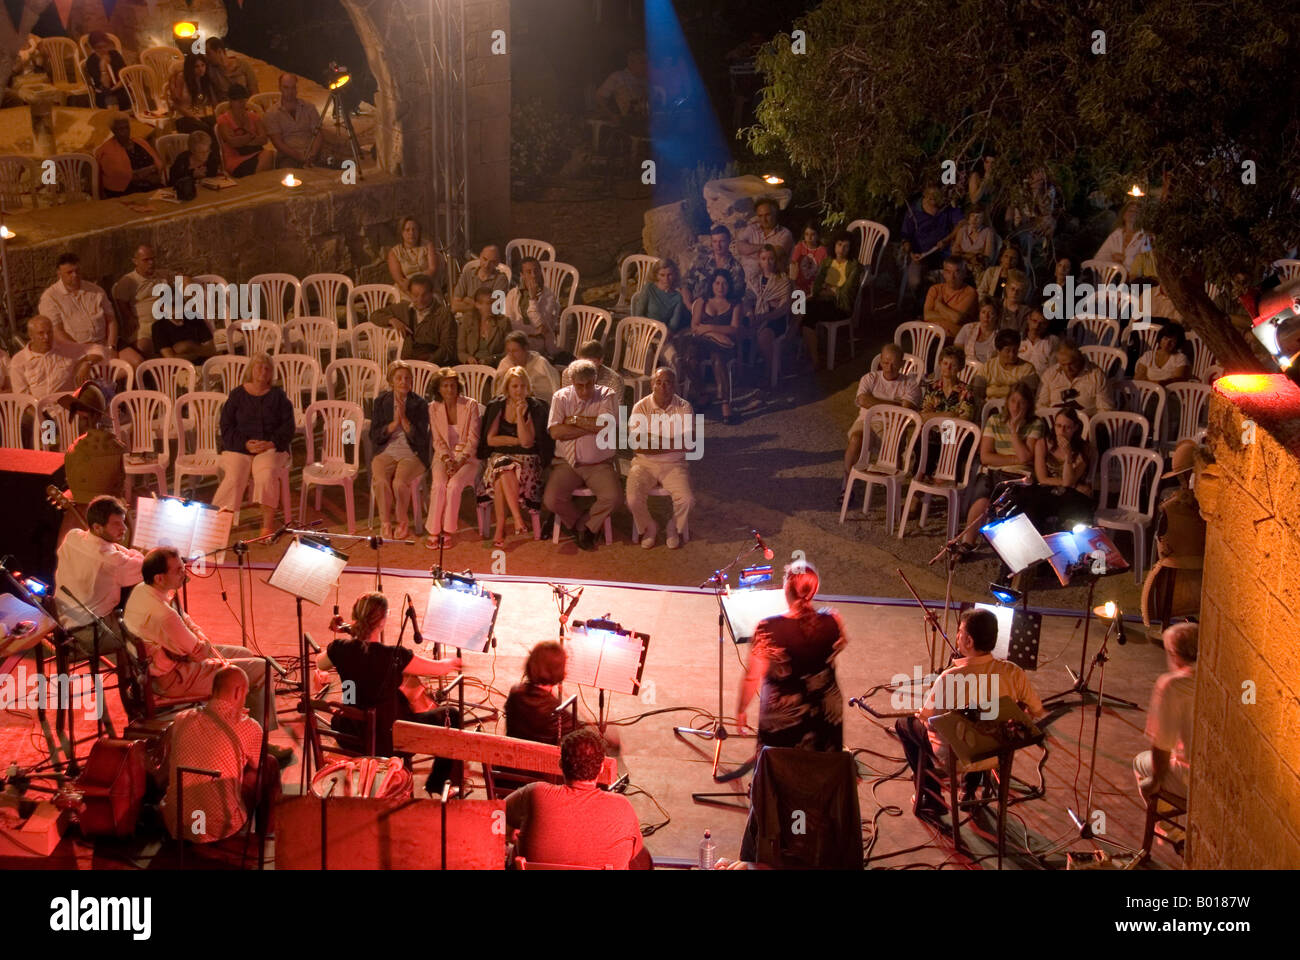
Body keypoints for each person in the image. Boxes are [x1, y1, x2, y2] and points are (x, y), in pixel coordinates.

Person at [894, 608, 1046, 819]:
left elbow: (930, 722)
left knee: (904, 724)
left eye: (960, 632)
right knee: (982, 729)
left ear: (969, 641)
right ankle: (969, 790)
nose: (957, 637)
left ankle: (929, 795)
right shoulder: (1013, 672)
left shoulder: (948, 678)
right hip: (997, 753)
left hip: (958, 757)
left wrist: (923, 715)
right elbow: (1037, 710)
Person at [123, 547, 283, 736]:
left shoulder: (143, 590)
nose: (184, 574)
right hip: (174, 679)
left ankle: (236, 724)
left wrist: (200, 636)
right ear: (159, 577)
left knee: (245, 654)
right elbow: (200, 653)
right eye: (178, 571)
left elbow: (186, 619)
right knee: (262, 669)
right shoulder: (164, 615)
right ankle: (259, 740)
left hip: (166, 665)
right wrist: (201, 642)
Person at [316, 593, 462, 794]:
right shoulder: (395, 656)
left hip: (350, 732)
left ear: (355, 617)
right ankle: (437, 783)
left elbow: (320, 662)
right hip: (388, 739)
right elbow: (437, 669)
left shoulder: (339, 649)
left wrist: (347, 630)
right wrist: (452, 663)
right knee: (452, 715)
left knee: (357, 690)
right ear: (383, 622)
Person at [161, 666, 282, 843]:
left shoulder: (181, 719)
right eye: (246, 693)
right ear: (238, 692)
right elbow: (256, 765)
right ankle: (265, 834)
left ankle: (195, 832)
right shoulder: (249, 727)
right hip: (219, 826)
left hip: (179, 822)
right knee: (269, 763)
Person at [736, 560, 847, 750]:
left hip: (785, 717)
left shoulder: (767, 629)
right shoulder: (834, 620)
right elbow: (837, 645)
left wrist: (741, 710)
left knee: (781, 764)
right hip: (826, 714)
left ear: (786, 588)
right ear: (814, 590)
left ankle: (771, 772)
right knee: (821, 765)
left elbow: (753, 676)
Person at [506, 728, 649, 869]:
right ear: (600, 768)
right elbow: (633, 852)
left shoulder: (535, 794)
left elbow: (496, 813)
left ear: (561, 764)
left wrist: (509, 836)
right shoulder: (622, 807)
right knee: (643, 858)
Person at [955, 382, 1043, 553]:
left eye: (1021, 402)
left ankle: (1008, 549)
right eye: (1013, 401)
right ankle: (968, 542)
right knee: (982, 498)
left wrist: (1013, 432)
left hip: (1020, 475)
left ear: (1028, 404)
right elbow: (986, 456)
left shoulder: (1036, 424)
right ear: (1007, 402)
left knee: (1003, 504)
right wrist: (1013, 458)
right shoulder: (994, 421)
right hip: (995, 472)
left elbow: (1026, 458)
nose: (1016, 407)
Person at [213, 353, 294, 537]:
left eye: (267, 368)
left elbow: (288, 426)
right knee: (234, 476)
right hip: (238, 448)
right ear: (251, 369)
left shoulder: (278, 396)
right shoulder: (237, 395)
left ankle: (266, 526)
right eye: (259, 366)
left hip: (270, 448)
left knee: (266, 475)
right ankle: (218, 525)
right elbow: (226, 427)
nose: (263, 371)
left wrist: (271, 442)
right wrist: (245, 444)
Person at [545, 359, 621, 550]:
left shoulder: (606, 395)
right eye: (580, 386)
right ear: (572, 382)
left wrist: (575, 420)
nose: (586, 391)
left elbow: (606, 425)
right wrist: (590, 427)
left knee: (614, 498)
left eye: (589, 385)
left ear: (595, 379)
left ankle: (585, 525)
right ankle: (582, 523)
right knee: (551, 499)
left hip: (598, 463)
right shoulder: (560, 397)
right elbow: (555, 432)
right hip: (566, 463)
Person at [54, 495, 142, 658]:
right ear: (97, 527)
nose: (124, 528)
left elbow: (106, 551)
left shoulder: (72, 537)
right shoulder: (113, 561)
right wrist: (135, 553)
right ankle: (141, 678)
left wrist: (118, 549)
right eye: (116, 524)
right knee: (148, 631)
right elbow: (143, 567)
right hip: (92, 633)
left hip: (61, 622)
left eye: (123, 521)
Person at [478, 366, 553, 547]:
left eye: (522, 386)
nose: (518, 391)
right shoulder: (498, 405)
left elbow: (527, 443)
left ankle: (501, 526)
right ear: (507, 388)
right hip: (501, 459)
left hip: (527, 462)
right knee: (503, 466)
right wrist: (515, 440)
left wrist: (520, 415)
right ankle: (517, 519)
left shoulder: (535, 407)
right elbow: (490, 440)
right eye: (514, 386)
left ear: (527, 387)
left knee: (501, 470)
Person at [504, 641, 619, 751]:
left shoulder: (515, 694)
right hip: (541, 767)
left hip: (509, 763)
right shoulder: (558, 714)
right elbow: (585, 742)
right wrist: (607, 742)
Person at [626, 367, 694, 549]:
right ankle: (650, 526)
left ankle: (673, 526)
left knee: (686, 499)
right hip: (644, 464)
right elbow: (637, 445)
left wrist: (652, 443)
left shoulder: (684, 407)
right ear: (652, 385)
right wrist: (672, 443)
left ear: (674, 386)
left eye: (668, 382)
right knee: (632, 499)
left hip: (674, 465)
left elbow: (688, 442)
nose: (663, 387)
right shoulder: (640, 407)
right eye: (659, 382)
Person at [1133, 622, 1197, 802]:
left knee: (1141, 762)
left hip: (1192, 778)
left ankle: (1169, 830)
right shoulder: (1218, 676)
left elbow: (1162, 744)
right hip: (1225, 775)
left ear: (1174, 655)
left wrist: (1155, 779)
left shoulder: (1173, 685)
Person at [370, 361, 431, 540]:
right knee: (380, 480)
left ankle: (402, 521)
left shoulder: (420, 404)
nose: (404, 381)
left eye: (407, 378)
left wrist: (404, 420)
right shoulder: (381, 402)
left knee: (399, 483)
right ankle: (386, 522)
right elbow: (374, 435)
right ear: (391, 381)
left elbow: (421, 439)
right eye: (399, 378)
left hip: (412, 453)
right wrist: (393, 425)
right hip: (385, 451)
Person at [844, 343, 921, 479]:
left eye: (894, 364)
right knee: (855, 440)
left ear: (902, 364)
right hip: (866, 422)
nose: (889, 368)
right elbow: (862, 400)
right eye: (885, 363)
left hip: (893, 426)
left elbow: (905, 410)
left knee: (894, 446)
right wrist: (895, 404)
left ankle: (890, 487)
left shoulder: (910, 384)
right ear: (880, 361)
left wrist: (874, 403)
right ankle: (847, 483)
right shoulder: (870, 378)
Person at [58, 383, 125, 537]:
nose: (84, 423)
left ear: (97, 416)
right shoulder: (76, 448)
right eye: (81, 418)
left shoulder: (111, 447)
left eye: (86, 418)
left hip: (103, 514)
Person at [425, 368, 481, 548]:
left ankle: (448, 530)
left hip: (468, 458)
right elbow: (438, 440)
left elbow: (474, 439)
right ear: (438, 389)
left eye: (453, 385)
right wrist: (448, 460)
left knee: (454, 485)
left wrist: (460, 460)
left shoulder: (470, 405)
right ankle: (433, 530)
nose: (450, 389)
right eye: (445, 386)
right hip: (444, 457)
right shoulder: (433, 408)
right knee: (439, 484)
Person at [1021, 406, 1094, 532]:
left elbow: (1069, 480)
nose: (1062, 431)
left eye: (1067, 427)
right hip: (1048, 490)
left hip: (1072, 494)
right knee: (1032, 505)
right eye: (1058, 426)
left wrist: (1068, 456)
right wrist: (1073, 485)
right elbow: (1043, 478)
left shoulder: (1085, 448)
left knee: (1076, 507)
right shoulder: (1043, 443)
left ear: (1075, 428)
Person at [39, 253, 122, 363]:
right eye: (69, 272)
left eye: (77, 271)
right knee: (99, 368)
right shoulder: (50, 297)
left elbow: (111, 320)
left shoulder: (95, 290)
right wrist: (81, 350)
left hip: (104, 342)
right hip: (76, 348)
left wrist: (111, 346)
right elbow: (57, 332)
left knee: (135, 361)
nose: (75, 275)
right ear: (59, 274)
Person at [684, 269, 742, 423]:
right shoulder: (702, 302)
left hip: (724, 346)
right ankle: (702, 394)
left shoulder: (735, 304)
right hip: (703, 341)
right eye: (717, 283)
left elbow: (734, 329)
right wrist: (714, 334)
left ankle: (725, 405)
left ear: (729, 286)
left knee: (718, 358)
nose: (720, 287)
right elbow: (695, 327)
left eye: (724, 283)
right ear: (712, 284)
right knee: (690, 357)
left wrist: (709, 328)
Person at [901, 184, 964, 309]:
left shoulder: (946, 208)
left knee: (952, 279)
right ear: (925, 196)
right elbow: (905, 236)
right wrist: (910, 252)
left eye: (937, 199)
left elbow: (961, 223)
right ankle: (920, 306)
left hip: (943, 253)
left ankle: (944, 308)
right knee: (915, 282)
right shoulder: (914, 211)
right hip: (921, 255)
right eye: (930, 198)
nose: (934, 202)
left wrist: (947, 240)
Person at [372, 273, 457, 365]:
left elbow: (447, 347)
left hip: (434, 363)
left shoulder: (443, 314)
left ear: (432, 293)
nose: (420, 299)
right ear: (410, 294)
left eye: (424, 295)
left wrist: (427, 364)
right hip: (408, 362)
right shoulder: (404, 309)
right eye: (416, 295)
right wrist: (392, 320)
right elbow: (375, 315)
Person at [805, 231, 862, 367]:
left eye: (846, 246)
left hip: (840, 306)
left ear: (851, 249)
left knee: (805, 312)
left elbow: (845, 293)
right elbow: (817, 285)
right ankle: (814, 358)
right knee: (799, 305)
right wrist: (830, 289)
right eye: (839, 244)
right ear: (834, 245)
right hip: (821, 301)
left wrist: (829, 290)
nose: (841, 249)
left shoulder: (854, 266)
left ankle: (810, 356)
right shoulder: (828, 262)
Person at [745, 244, 793, 386]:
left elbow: (783, 307)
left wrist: (764, 316)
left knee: (764, 335)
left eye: (771, 258)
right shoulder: (755, 280)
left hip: (776, 318)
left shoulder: (783, 280)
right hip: (758, 315)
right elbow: (747, 299)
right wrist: (750, 313)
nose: (767, 262)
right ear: (759, 261)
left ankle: (770, 370)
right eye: (764, 258)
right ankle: (744, 372)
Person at [264, 74, 336, 167]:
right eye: (286, 88)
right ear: (280, 88)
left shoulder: (309, 107)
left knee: (336, 164)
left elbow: (318, 133)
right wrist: (299, 156)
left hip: (311, 150)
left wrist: (313, 153)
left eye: (293, 88)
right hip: (289, 155)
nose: (290, 91)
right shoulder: (272, 113)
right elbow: (278, 142)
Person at [9, 315, 90, 398]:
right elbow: (22, 398)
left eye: (49, 332)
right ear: (31, 335)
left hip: (69, 405)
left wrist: (86, 363)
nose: (46, 337)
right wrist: (39, 411)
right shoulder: (18, 361)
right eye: (41, 333)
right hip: (38, 408)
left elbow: (97, 349)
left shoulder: (66, 350)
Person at [112, 245, 166, 360]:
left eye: (152, 259)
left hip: (163, 321)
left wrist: (186, 279)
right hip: (143, 324)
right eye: (146, 260)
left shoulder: (160, 275)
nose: (151, 263)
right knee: (144, 346)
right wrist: (129, 317)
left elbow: (178, 276)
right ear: (135, 261)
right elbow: (120, 301)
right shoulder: (128, 281)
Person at [1036, 340, 1113, 415]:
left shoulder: (1096, 375)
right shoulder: (1050, 374)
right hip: (1055, 421)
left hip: (1085, 422)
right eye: (1063, 364)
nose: (1067, 369)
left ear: (1079, 358)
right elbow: (1040, 405)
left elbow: (1105, 410)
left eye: (1071, 364)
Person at [503, 257, 560, 357]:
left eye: (536, 271)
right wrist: (532, 332)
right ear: (522, 275)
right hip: (518, 341)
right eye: (529, 272)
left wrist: (533, 299)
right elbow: (510, 323)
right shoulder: (512, 294)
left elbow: (540, 324)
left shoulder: (548, 295)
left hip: (539, 344)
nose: (533, 275)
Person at [95, 115, 163, 199]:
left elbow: (158, 164)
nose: (125, 131)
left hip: (151, 183)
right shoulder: (107, 150)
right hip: (127, 190)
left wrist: (150, 172)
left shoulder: (140, 142)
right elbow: (121, 176)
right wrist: (148, 171)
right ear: (113, 131)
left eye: (127, 128)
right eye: (120, 129)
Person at [216, 83, 273, 177]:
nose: (241, 102)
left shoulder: (254, 117)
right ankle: (258, 184)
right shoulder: (224, 119)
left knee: (269, 155)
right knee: (267, 157)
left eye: (243, 99)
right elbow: (232, 143)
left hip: (255, 154)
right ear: (230, 101)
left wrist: (243, 140)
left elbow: (264, 139)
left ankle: (256, 183)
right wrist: (252, 137)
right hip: (235, 159)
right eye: (237, 100)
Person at [733, 197, 794, 285]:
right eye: (760, 216)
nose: (764, 220)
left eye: (767, 215)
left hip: (771, 284)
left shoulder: (784, 234)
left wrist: (750, 250)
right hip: (746, 282)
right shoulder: (752, 228)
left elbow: (774, 253)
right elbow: (740, 247)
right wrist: (763, 247)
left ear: (775, 214)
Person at [683, 225, 748, 306]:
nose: (718, 246)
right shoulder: (700, 260)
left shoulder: (736, 268)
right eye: (715, 241)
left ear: (729, 241)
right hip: (693, 307)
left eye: (722, 241)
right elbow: (686, 285)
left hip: (720, 312)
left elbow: (736, 298)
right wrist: (690, 307)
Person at [972, 328, 1038, 402]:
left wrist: (992, 390)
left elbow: (1026, 395)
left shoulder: (1027, 369)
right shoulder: (987, 367)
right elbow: (977, 393)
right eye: (1007, 351)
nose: (1012, 354)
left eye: (1015, 350)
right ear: (998, 350)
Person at [493, 331, 559, 403]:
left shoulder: (540, 363)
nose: (511, 355)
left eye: (515, 351)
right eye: (508, 351)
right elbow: (498, 392)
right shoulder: (505, 363)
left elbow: (554, 387)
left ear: (525, 349)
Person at [630, 258, 690, 335]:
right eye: (662, 275)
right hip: (645, 328)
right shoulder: (649, 288)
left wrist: (663, 331)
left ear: (675, 275)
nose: (666, 279)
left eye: (670, 275)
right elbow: (639, 314)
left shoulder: (677, 297)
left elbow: (673, 325)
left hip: (663, 332)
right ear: (656, 275)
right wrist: (653, 327)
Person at [920, 345, 977, 424]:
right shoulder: (932, 387)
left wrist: (933, 415)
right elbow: (923, 417)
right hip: (931, 431)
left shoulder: (966, 391)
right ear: (940, 364)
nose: (948, 367)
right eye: (945, 363)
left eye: (953, 365)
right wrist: (950, 415)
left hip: (956, 434)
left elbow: (965, 421)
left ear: (959, 368)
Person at [923, 256, 978, 337]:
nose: (952, 277)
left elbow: (956, 319)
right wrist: (949, 315)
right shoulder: (935, 289)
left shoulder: (970, 293)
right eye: (948, 272)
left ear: (964, 273)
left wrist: (939, 305)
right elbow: (927, 315)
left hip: (953, 340)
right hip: (931, 336)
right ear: (944, 273)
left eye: (957, 272)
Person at [386, 217, 440, 298]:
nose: (411, 233)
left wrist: (417, 285)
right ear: (402, 232)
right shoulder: (394, 253)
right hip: (406, 290)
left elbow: (432, 269)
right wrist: (413, 294)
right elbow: (400, 280)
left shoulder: (428, 246)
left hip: (426, 285)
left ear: (419, 231)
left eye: (414, 229)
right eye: (407, 230)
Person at [150, 295, 216, 360]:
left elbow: (212, 349)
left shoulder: (195, 318)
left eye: (179, 304)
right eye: (172, 305)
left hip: (203, 364)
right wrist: (199, 351)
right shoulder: (158, 326)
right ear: (162, 307)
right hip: (178, 369)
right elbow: (171, 358)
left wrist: (189, 346)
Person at [451, 244, 510, 315]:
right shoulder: (467, 274)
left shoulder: (501, 279)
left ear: (497, 263)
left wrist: (468, 301)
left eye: (492, 262)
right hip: (467, 321)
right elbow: (454, 306)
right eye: (484, 259)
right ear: (480, 256)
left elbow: (495, 309)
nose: (486, 264)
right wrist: (484, 305)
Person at [457, 287, 510, 366]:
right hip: (471, 368)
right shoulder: (467, 320)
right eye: (489, 303)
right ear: (478, 305)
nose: (493, 306)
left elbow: (508, 352)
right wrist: (468, 358)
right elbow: (460, 351)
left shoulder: (503, 322)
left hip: (494, 367)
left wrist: (492, 359)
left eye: (494, 303)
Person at [1095, 201, 1150, 276]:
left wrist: (1125, 260)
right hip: (1111, 276)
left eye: (1137, 212)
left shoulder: (1143, 238)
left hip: (1131, 280)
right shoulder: (1115, 235)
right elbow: (1099, 257)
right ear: (1124, 214)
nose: (1133, 213)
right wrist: (1112, 258)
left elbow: (1145, 264)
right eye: (1130, 210)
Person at [168, 53, 217, 135]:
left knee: (217, 125)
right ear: (190, 67)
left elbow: (213, 102)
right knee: (204, 129)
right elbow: (176, 105)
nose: (201, 69)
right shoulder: (181, 78)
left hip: (200, 116)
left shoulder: (204, 79)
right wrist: (193, 117)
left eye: (203, 65)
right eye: (196, 66)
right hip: (183, 117)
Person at [596, 49, 650, 122]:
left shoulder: (648, 79)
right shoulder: (618, 77)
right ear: (631, 63)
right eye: (642, 62)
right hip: (628, 124)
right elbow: (600, 97)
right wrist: (611, 115)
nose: (646, 65)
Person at [202, 37, 258, 102]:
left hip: (245, 105)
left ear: (219, 51)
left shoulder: (243, 65)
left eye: (208, 53)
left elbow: (254, 91)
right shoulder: (211, 70)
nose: (207, 57)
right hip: (225, 108)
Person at [83, 31, 127, 109]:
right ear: (93, 48)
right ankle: (114, 118)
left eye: (105, 46)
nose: (103, 49)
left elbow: (125, 75)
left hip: (120, 88)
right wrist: (103, 67)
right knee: (110, 99)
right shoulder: (91, 61)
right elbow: (105, 86)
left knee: (128, 95)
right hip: (105, 93)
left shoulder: (115, 54)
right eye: (99, 47)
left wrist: (118, 86)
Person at [954, 296, 1000, 365]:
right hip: (965, 367)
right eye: (983, 312)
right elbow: (957, 350)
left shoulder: (1000, 336)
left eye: (991, 313)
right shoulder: (968, 328)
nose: (986, 317)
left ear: (996, 316)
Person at [951, 205, 995, 272]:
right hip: (962, 265)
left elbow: (987, 257)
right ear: (968, 218)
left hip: (978, 267)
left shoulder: (988, 232)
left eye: (978, 217)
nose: (974, 220)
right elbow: (955, 253)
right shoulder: (962, 230)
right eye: (972, 216)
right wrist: (972, 256)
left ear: (983, 220)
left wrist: (964, 255)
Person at [788, 222, 827, 297]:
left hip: (814, 288)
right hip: (798, 287)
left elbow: (823, 272)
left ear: (818, 235)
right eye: (807, 234)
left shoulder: (823, 251)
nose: (809, 237)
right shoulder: (799, 247)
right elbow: (792, 266)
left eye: (813, 234)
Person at [1018, 308, 1059, 375]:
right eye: (1034, 321)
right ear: (1028, 319)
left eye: (1042, 323)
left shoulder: (1052, 341)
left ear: (1047, 324)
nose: (1037, 326)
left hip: (1042, 381)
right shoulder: (1017, 339)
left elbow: (1054, 368)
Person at [999, 269, 1032, 334]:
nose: (1015, 293)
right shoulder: (996, 305)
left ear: (1024, 293)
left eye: (1019, 290)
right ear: (1007, 288)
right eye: (1012, 289)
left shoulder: (1026, 312)